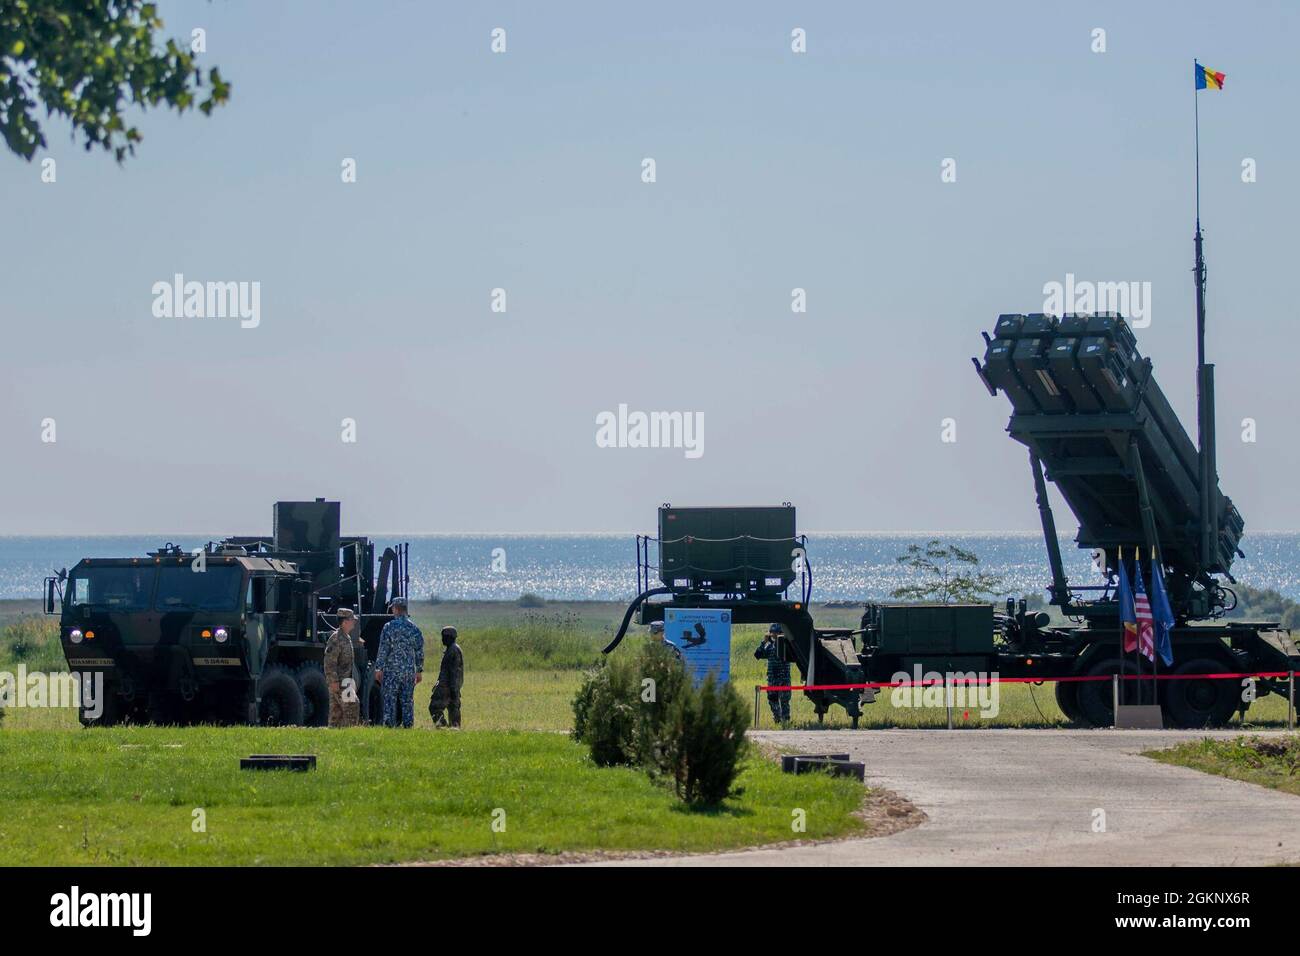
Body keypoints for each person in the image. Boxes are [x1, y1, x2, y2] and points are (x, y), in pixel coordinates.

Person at [374, 596, 423, 728]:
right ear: (405, 609)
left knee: (390, 700)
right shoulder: (414, 629)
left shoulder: (389, 627)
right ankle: (408, 726)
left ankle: (389, 726)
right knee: (407, 701)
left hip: (391, 671)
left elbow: (383, 649)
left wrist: (379, 668)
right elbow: (419, 651)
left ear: (395, 609)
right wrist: (419, 671)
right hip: (408, 672)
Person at [323, 607, 362, 727]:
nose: (354, 622)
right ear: (345, 622)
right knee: (352, 706)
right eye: (352, 620)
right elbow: (329, 662)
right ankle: (350, 732)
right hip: (341, 682)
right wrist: (333, 681)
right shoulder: (336, 638)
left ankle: (335, 735)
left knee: (336, 713)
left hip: (346, 681)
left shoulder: (346, 637)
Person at [754, 623, 791, 724]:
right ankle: (777, 718)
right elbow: (757, 655)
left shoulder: (786, 645)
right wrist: (764, 642)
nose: (774, 635)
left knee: (784, 701)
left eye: (776, 633)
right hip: (772, 679)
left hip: (784, 679)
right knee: (772, 699)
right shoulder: (769, 646)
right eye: (772, 633)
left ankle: (785, 720)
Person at [428, 626, 464, 728]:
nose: (442, 639)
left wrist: (453, 689)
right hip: (449, 686)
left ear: (450, 637)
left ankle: (443, 727)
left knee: (434, 707)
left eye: (444, 637)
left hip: (447, 686)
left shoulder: (453, 650)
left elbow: (455, 672)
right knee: (453, 708)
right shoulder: (452, 649)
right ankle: (454, 728)